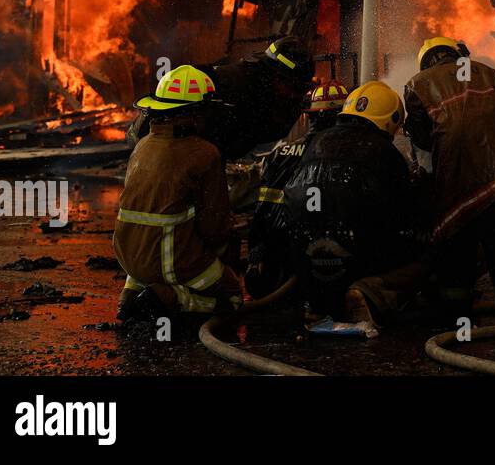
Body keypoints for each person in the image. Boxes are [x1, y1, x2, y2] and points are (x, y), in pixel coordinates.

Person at [403, 36, 495, 325]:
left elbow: (422, 141)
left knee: (456, 254)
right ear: (457, 53)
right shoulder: (487, 73)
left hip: (454, 187)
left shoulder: (417, 84)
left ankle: (455, 322)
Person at [282, 81, 426, 326]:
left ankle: (318, 304)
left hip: (306, 263)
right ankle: (369, 292)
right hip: (360, 259)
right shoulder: (383, 151)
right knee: (428, 255)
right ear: (390, 119)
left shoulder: (317, 142)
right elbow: (406, 213)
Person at [114, 65, 242, 320]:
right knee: (233, 298)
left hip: (128, 257)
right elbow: (214, 229)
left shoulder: (142, 145)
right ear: (194, 115)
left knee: (156, 248)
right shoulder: (205, 153)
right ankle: (167, 299)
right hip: (170, 261)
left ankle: (129, 296)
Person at [125, 36, 315, 160]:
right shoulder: (239, 90)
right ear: (277, 76)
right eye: (296, 87)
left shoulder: (262, 89)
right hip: (171, 156)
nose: (296, 95)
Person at [244, 79, 349, 299]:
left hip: (280, 251)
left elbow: (263, 208)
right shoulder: (337, 156)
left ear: (311, 116)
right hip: (324, 256)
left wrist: (258, 252)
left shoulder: (282, 152)